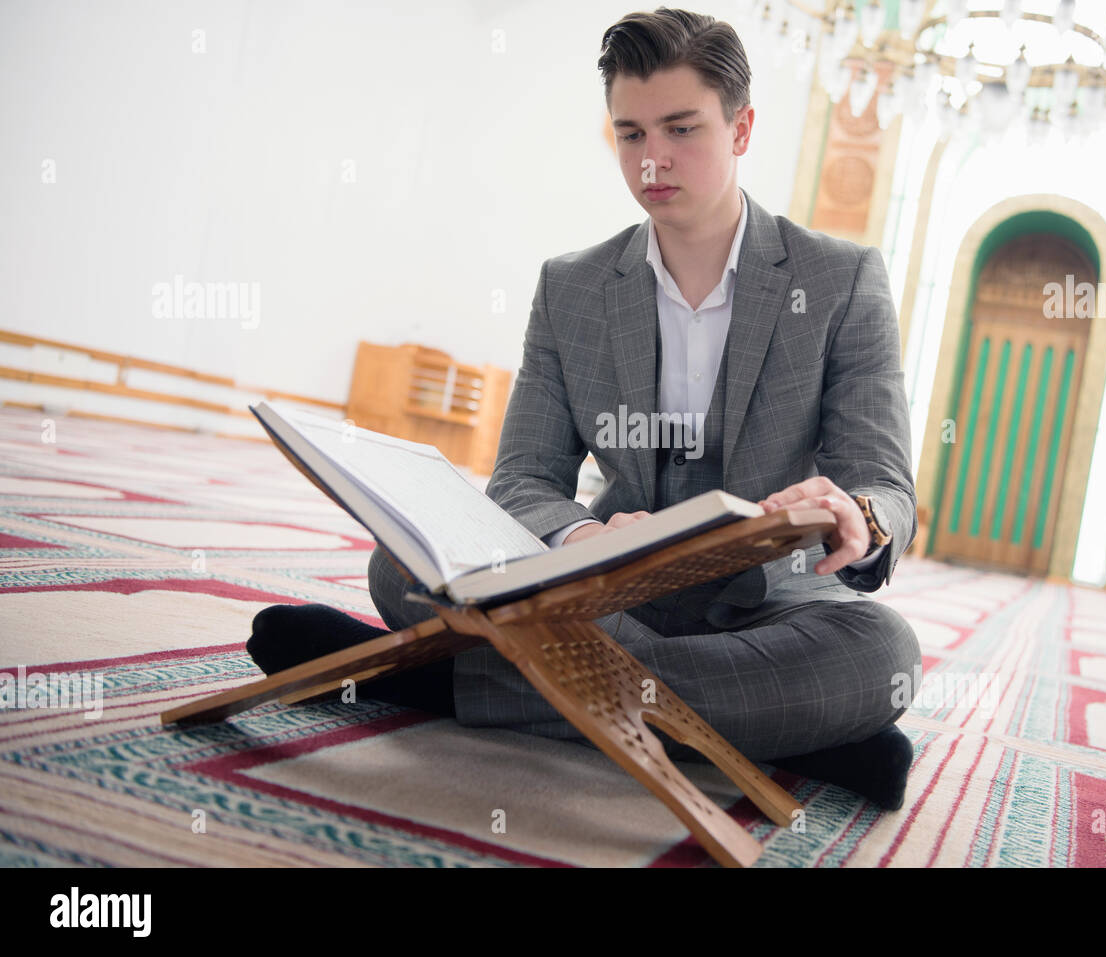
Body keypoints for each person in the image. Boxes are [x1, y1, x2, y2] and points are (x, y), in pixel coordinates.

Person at [248, 6, 922, 811]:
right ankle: (787, 731)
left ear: (742, 130)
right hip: (605, 591)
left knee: (883, 652)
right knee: (401, 563)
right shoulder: (570, 286)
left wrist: (863, 516)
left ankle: (435, 679)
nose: (653, 160)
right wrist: (582, 535)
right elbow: (525, 477)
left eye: (681, 129)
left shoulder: (842, 279)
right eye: (630, 134)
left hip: (768, 600)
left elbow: (882, 480)